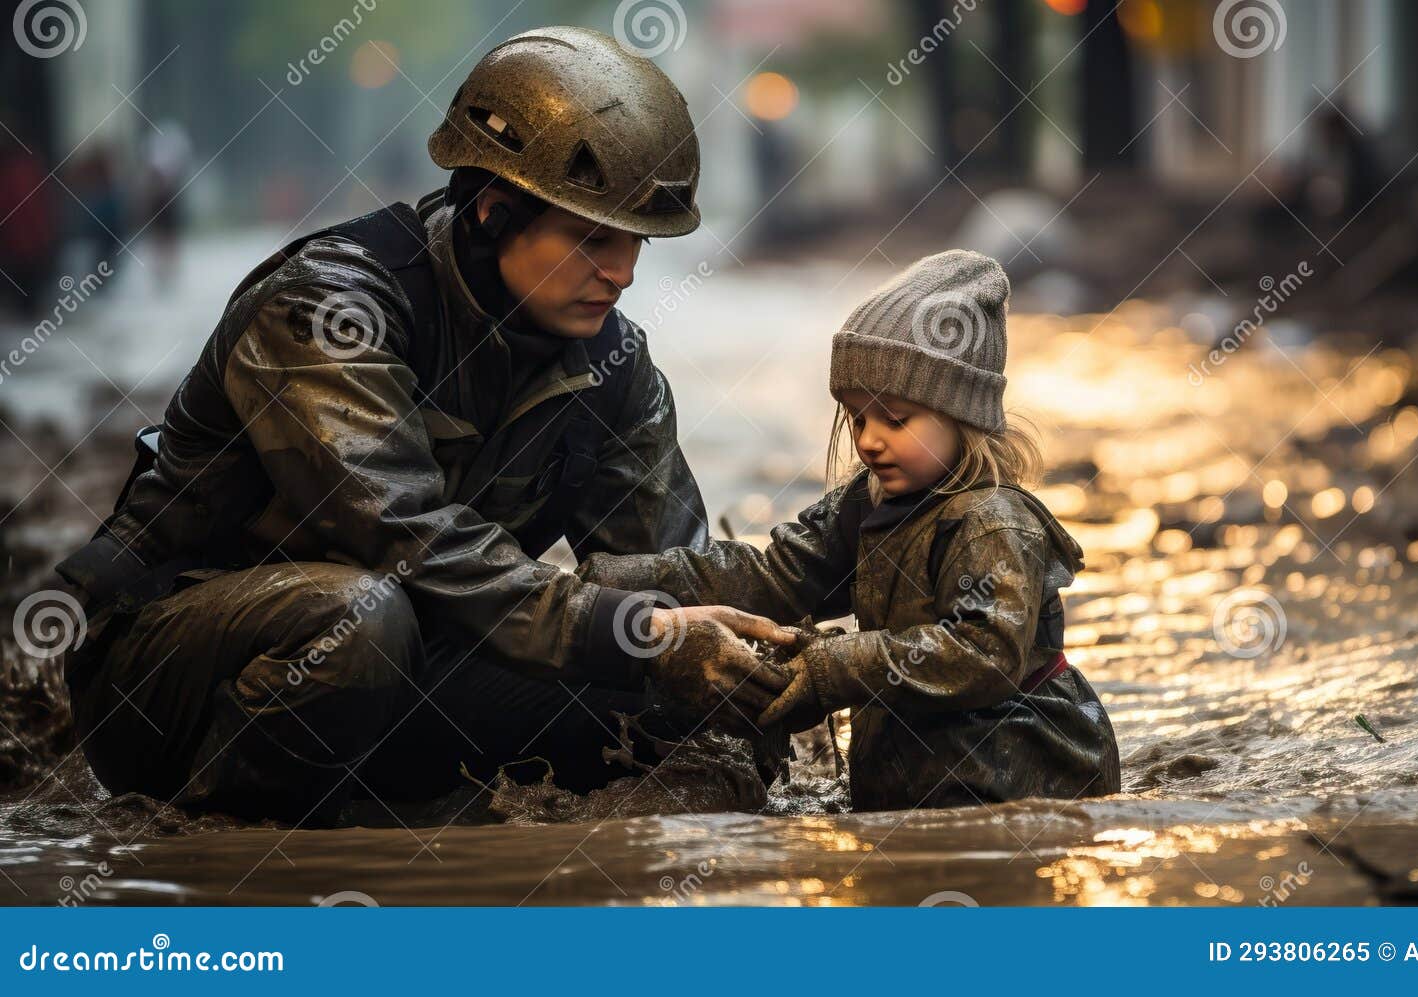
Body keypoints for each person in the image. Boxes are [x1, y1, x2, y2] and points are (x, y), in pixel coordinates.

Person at [51, 27, 791, 826]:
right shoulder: (328, 309)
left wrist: (776, 650)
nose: (622, 272)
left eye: (633, 242)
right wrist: (639, 629)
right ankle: (222, 842)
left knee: (682, 695)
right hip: (170, 679)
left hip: (409, 662)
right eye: (590, 239)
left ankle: (398, 811)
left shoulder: (614, 367)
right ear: (491, 213)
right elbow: (407, 542)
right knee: (363, 619)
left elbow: (668, 573)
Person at [581, 250, 1121, 810]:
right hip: (925, 778)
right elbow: (777, 576)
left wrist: (832, 667)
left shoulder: (991, 521)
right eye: (856, 416)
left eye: (895, 418)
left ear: (964, 415)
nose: (868, 440)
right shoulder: (870, 502)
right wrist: (619, 579)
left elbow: (982, 652)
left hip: (1021, 781)